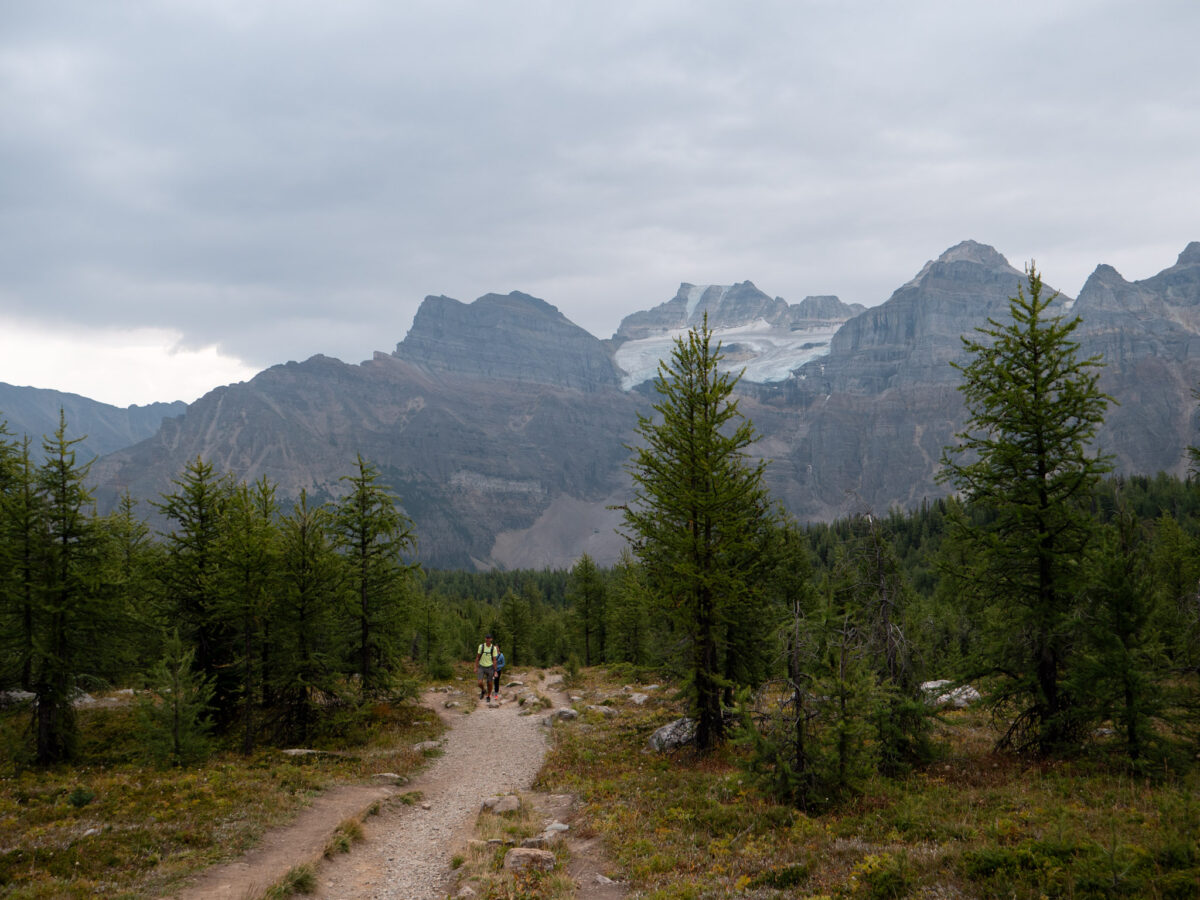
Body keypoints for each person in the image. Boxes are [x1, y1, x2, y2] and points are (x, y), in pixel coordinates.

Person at [476, 634, 500, 702]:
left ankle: (488, 695)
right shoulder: (481, 646)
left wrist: (495, 670)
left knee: (489, 683)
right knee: (479, 683)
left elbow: (494, 660)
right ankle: (483, 690)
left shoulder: (494, 648)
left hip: (490, 667)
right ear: (485, 639)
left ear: (491, 639)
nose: (488, 640)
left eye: (489, 638)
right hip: (481, 666)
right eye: (487, 638)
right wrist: (476, 667)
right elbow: (477, 657)